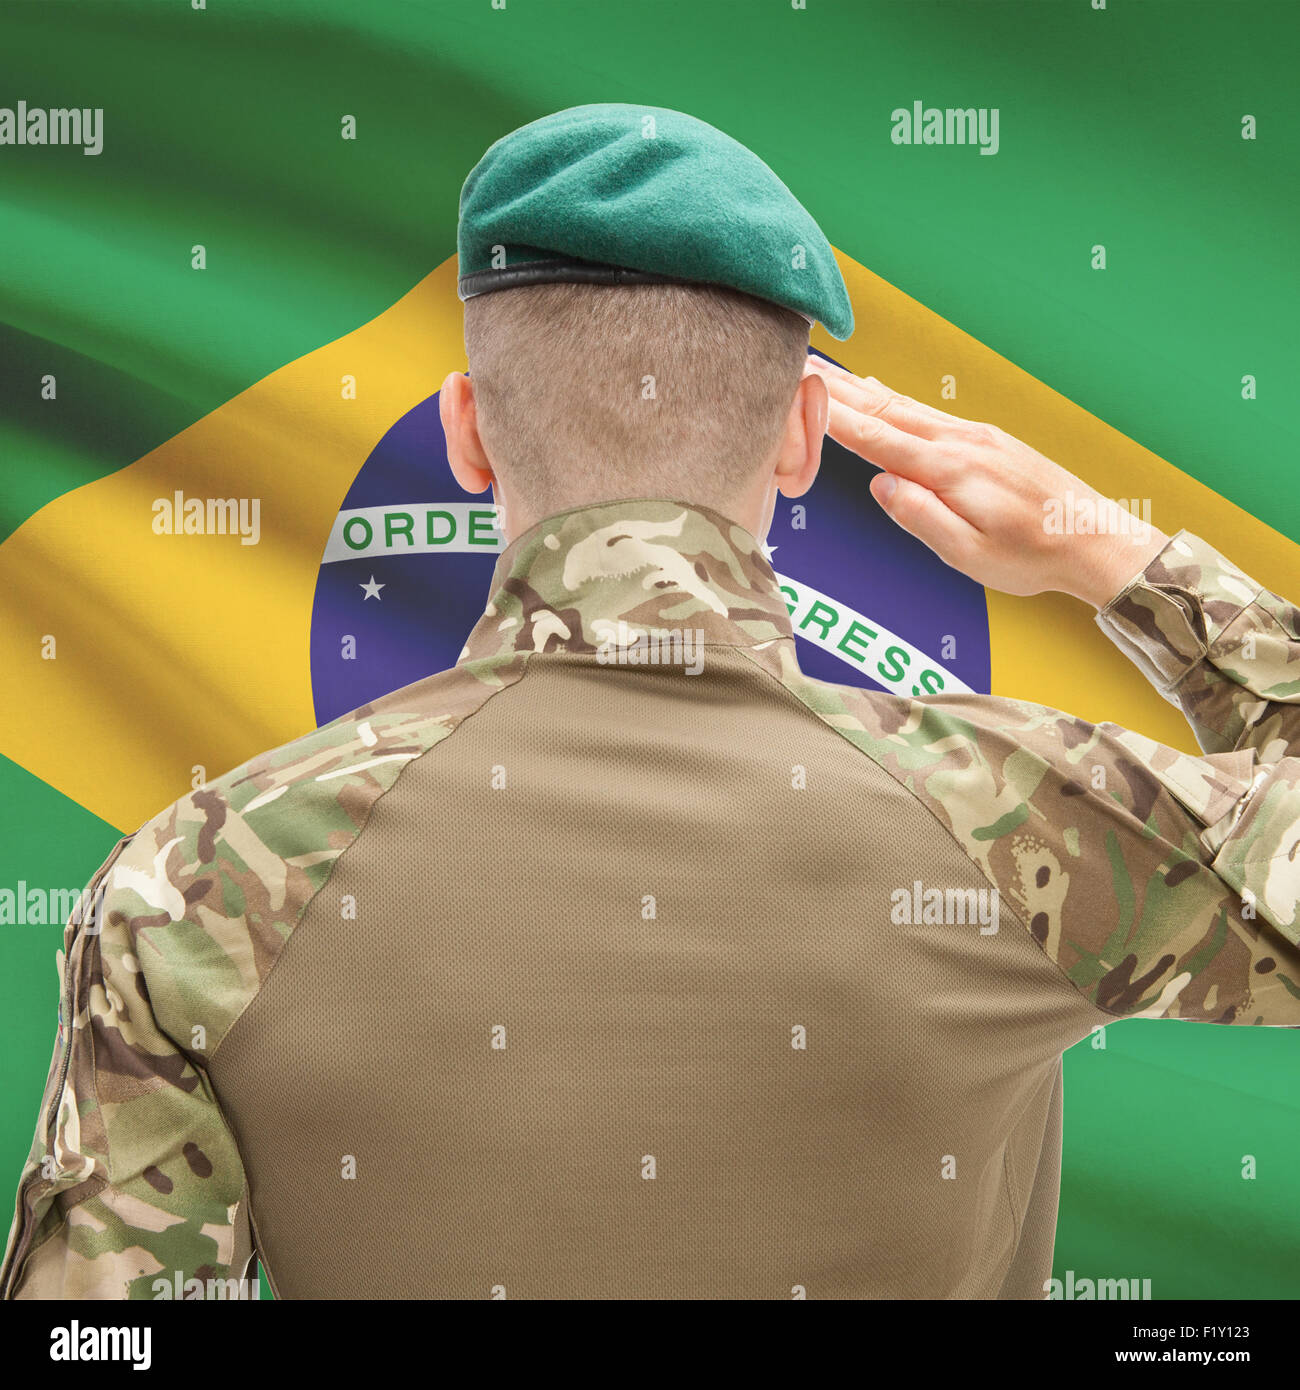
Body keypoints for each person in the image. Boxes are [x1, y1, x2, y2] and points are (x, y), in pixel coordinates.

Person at [2, 104, 1295, 1301]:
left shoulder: (198, 881)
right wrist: (1120, 561)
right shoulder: (1022, 819)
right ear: (802, 437)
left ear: (465, 431)